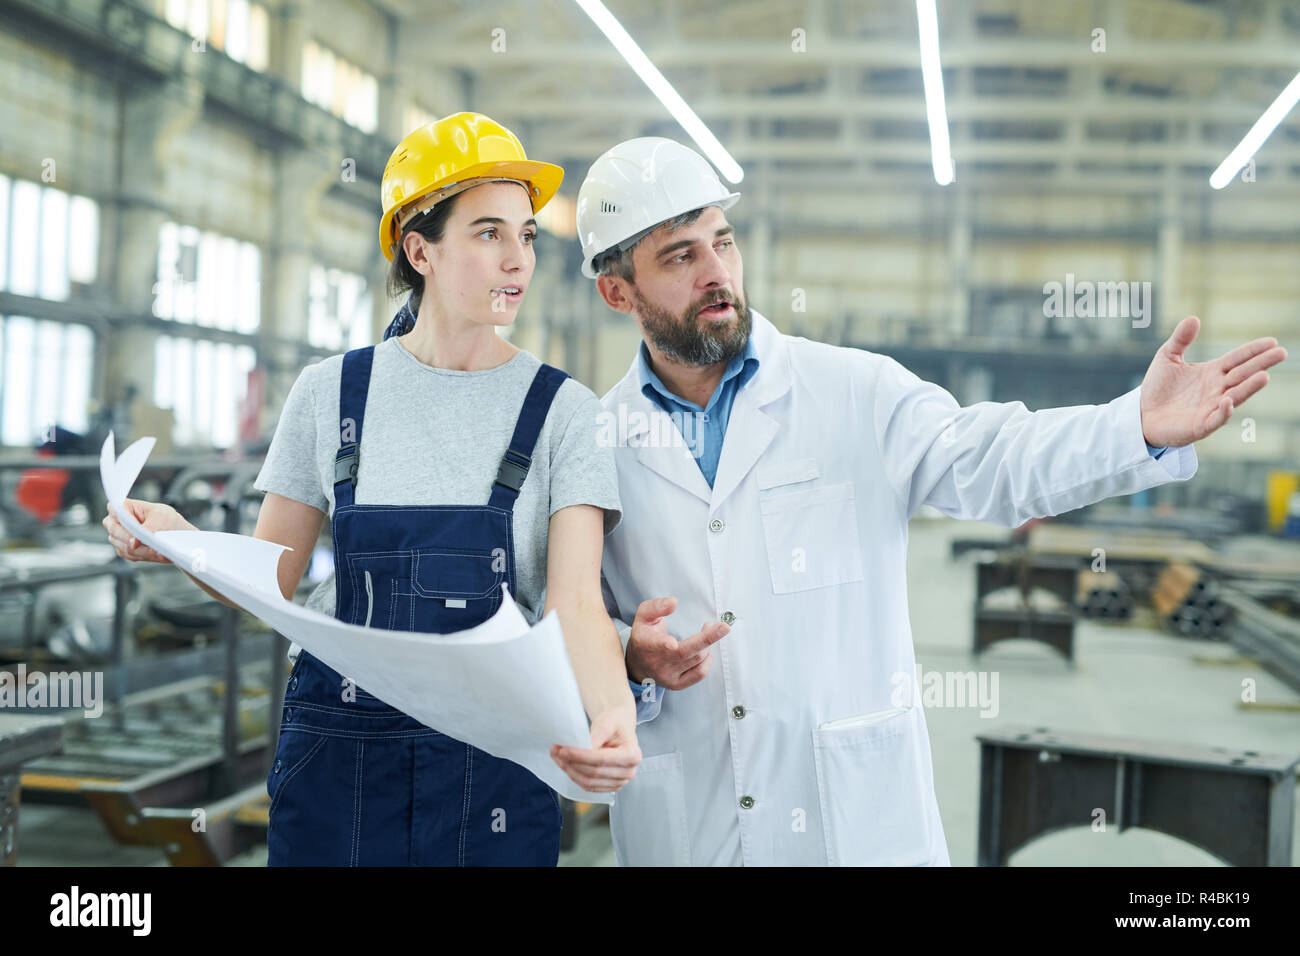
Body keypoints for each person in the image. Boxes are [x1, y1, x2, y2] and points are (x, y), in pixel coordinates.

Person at [576, 136, 1287, 866]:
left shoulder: (854, 392)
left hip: (849, 822)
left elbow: (997, 461)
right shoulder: (592, 442)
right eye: (679, 257)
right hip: (688, 828)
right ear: (617, 291)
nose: (717, 272)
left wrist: (1132, 426)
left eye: (721, 241)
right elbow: (568, 621)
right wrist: (628, 655)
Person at [103, 112, 641, 866]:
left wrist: (613, 710)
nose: (516, 260)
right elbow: (274, 578)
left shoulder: (564, 410)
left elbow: (575, 602)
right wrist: (179, 543)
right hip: (337, 761)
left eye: (526, 236)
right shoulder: (331, 393)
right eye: (489, 233)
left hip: (493, 763)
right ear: (420, 249)